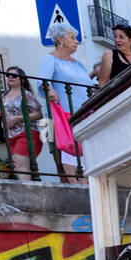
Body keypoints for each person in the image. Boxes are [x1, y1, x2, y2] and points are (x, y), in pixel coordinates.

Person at [38, 23, 95, 184]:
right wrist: (50, 90)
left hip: (83, 112)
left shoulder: (77, 63)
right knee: (70, 150)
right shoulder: (49, 59)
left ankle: (86, 187)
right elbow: (43, 83)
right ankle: (77, 187)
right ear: (60, 39)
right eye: (72, 38)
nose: (76, 41)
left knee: (83, 151)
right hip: (65, 113)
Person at [2, 67, 43, 182]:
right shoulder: (4, 95)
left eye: (14, 75)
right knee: (16, 166)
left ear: (22, 79)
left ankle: (26, 193)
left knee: (21, 166)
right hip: (10, 136)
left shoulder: (26, 94)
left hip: (26, 133)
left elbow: (39, 114)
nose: (10, 77)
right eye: (7, 75)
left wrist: (18, 118)